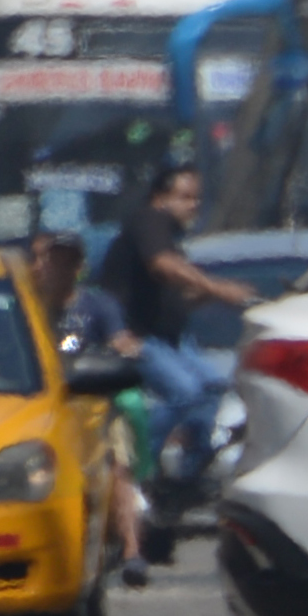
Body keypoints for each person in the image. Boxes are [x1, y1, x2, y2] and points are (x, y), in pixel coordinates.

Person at [96, 158, 258, 497]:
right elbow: (163, 265)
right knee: (184, 390)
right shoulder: (149, 220)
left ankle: (189, 473)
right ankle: (140, 467)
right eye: (186, 197)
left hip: (170, 337)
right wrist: (217, 288)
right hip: (135, 336)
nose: (193, 206)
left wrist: (220, 296)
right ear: (161, 197)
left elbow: (173, 291)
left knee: (213, 384)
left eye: (197, 199)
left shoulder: (168, 236)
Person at [21, 226, 148, 586]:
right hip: (38, 409)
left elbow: (121, 340)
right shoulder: (27, 308)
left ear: (79, 266)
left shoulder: (97, 306)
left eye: (65, 261)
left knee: (116, 461)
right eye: (49, 259)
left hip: (92, 406)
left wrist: (126, 349)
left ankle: (132, 551)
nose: (55, 268)